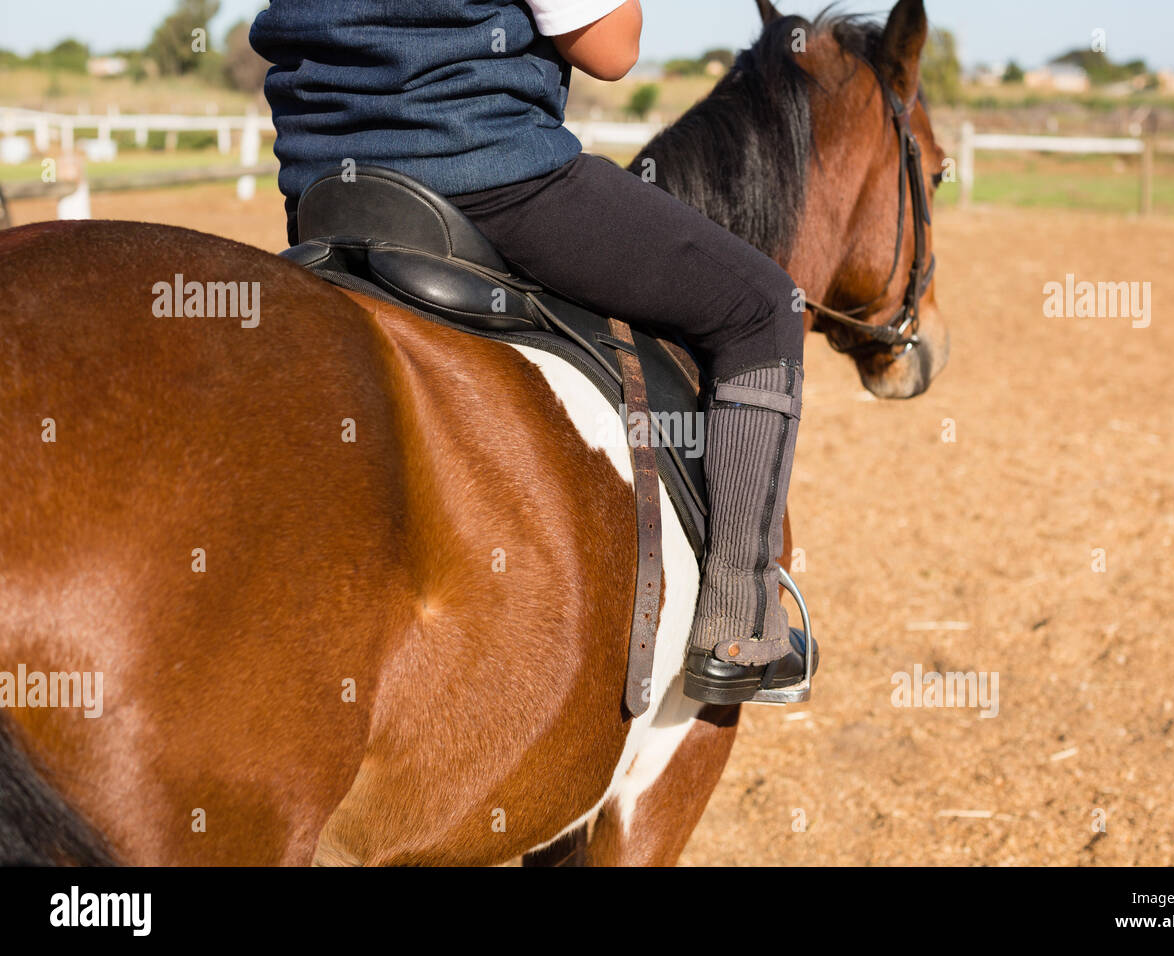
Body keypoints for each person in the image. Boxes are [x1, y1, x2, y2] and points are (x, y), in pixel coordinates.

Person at [250, 0, 815, 704]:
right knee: (762, 307)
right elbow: (612, 49)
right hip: (489, 178)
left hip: (323, 190)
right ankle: (740, 624)